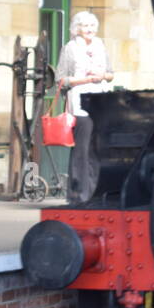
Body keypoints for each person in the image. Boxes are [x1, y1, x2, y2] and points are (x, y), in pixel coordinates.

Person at [55, 11, 114, 203]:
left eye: (91, 26)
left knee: (97, 149)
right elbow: (61, 79)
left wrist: (101, 75)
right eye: (85, 26)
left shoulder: (100, 45)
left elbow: (111, 73)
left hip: (101, 100)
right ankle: (78, 194)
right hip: (80, 102)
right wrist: (85, 79)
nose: (89, 30)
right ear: (77, 29)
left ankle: (95, 191)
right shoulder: (70, 48)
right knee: (82, 149)